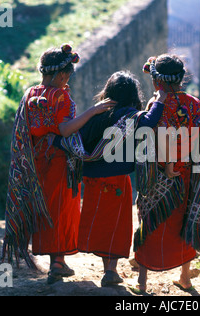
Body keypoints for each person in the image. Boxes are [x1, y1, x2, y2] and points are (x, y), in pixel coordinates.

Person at [133, 54, 200, 293]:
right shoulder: (194, 105)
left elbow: (147, 140)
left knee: (150, 225)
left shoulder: (155, 106)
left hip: (158, 178)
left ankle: (142, 282)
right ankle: (185, 277)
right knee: (185, 224)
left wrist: (165, 163)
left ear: (156, 82)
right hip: (186, 179)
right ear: (181, 79)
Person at [2, 44, 112, 284]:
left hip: (36, 163)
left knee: (46, 208)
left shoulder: (31, 94)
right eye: (68, 75)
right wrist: (92, 112)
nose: (67, 80)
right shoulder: (60, 95)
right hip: (59, 161)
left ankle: (56, 262)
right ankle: (58, 263)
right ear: (61, 75)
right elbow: (64, 128)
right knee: (61, 210)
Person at [53, 71, 166, 287]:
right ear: (133, 94)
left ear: (109, 92)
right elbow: (150, 121)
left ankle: (102, 265)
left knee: (100, 219)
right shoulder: (132, 116)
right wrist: (159, 101)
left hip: (93, 180)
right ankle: (110, 270)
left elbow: (80, 137)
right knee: (116, 224)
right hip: (117, 181)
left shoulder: (98, 115)